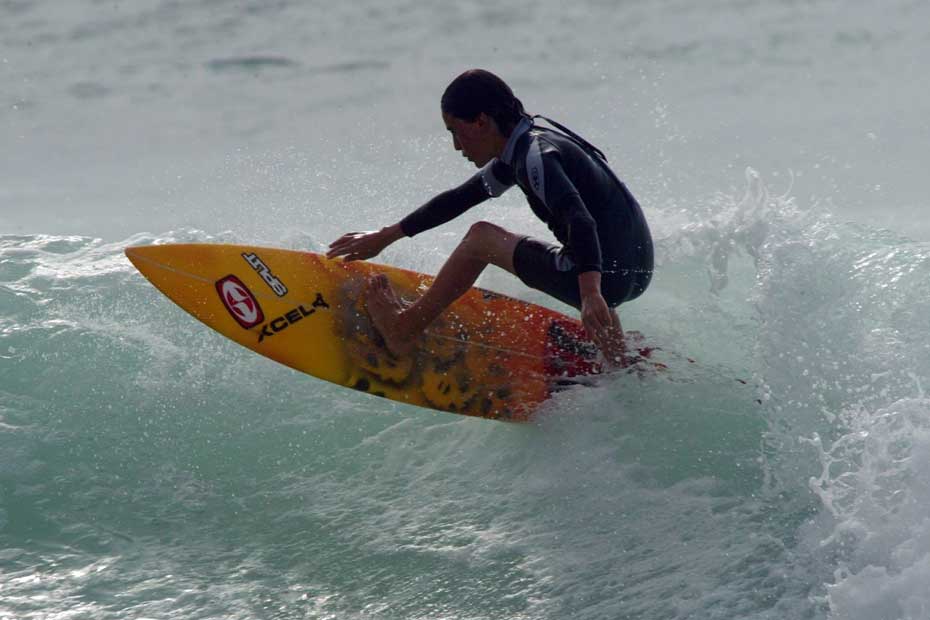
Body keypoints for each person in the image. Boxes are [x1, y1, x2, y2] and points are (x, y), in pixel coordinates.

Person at [326, 69, 653, 366]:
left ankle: (403, 328)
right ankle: (618, 361)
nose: (456, 146)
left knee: (481, 239)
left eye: (456, 131)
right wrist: (386, 236)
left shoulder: (535, 158)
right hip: (636, 270)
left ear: (481, 122)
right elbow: (460, 198)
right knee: (578, 256)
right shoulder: (526, 146)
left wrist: (592, 293)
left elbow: (581, 220)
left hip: (609, 277)